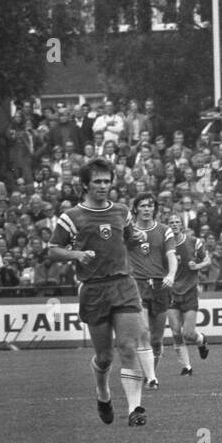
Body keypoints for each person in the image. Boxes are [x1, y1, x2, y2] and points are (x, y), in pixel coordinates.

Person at [47, 158, 148, 426]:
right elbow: (53, 250)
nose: (103, 186)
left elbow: (128, 239)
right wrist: (77, 254)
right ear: (84, 185)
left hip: (123, 284)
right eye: (97, 181)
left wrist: (137, 240)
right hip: (93, 290)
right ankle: (102, 392)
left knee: (128, 347)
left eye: (107, 181)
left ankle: (135, 409)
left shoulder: (121, 211)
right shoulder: (72, 217)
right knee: (105, 357)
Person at [126, 191, 177, 389]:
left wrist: (171, 275)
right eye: (143, 205)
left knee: (156, 339)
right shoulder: (128, 231)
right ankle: (151, 378)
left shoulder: (164, 230)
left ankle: (150, 374)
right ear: (136, 209)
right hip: (137, 285)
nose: (147, 209)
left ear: (154, 209)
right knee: (143, 331)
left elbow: (172, 255)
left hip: (160, 285)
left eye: (150, 205)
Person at [165, 210, 211, 375]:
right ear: (167, 226)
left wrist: (197, 266)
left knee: (188, 333)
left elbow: (207, 260)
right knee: (176, 331)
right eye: (171, 223)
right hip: (171, 292)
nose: (174, 225)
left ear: (181, 225)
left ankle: (201, 340)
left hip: (190, 291)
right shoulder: (164, 246)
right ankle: (187, 366)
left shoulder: (193, 241)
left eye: (177, 222)